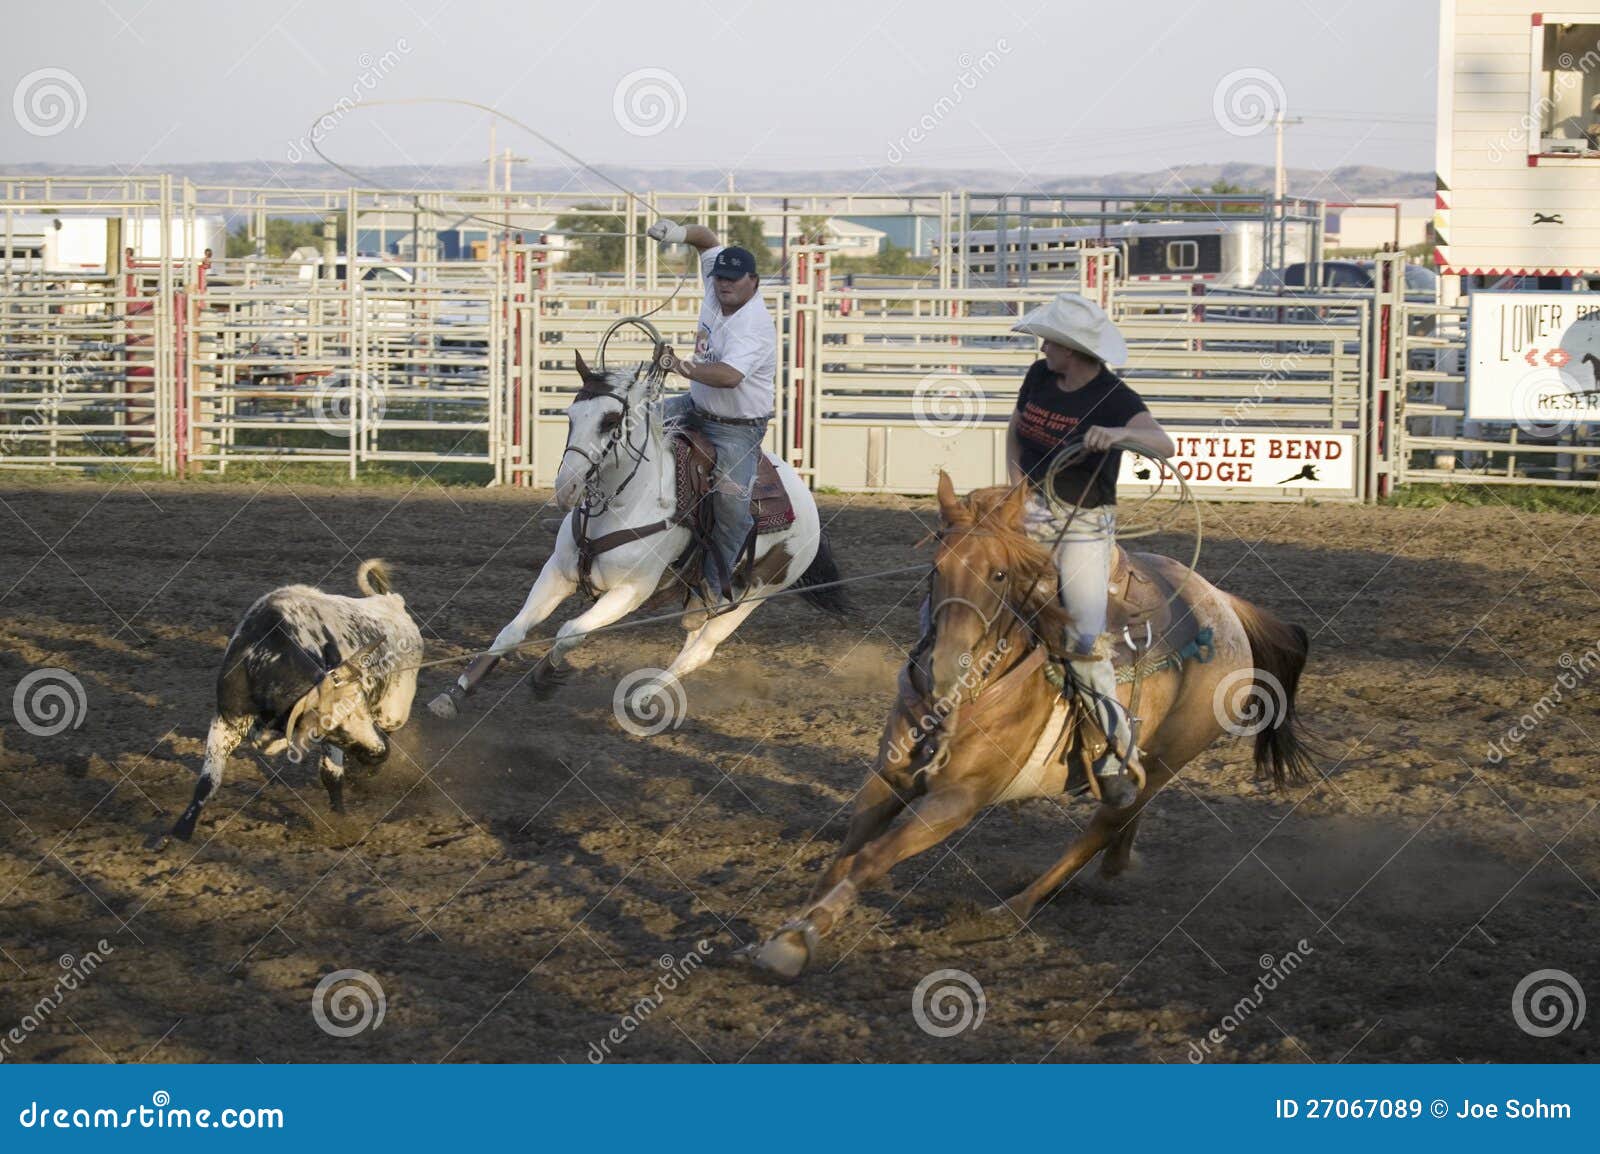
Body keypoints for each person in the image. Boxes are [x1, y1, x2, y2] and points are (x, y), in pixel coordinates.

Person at [1008, 292, 1175, 808]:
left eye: (1051, 341)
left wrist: (1120, 434)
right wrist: (1015, 491)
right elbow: (1015, 430)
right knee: (964, 590)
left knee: (1083, 636)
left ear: (1074, 350)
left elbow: (1162, 443)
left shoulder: (1114, 397)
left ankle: (1118, 754)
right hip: (1031, 507)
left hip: (1083, 521)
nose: (1043, 347)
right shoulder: (1040, 377)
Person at [646, 219, 777, 612]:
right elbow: (705, 239)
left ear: (753, 282)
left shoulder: (755, 327)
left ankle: (713, 587)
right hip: (695, 406)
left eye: (733, 280)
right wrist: (675, 233)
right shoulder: (716, 285)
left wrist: (680, 367)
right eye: (721, 277)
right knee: (627, 424)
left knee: (733, 507)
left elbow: (730, 376)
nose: (724, 284)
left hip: (736, 430)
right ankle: (592, 515)